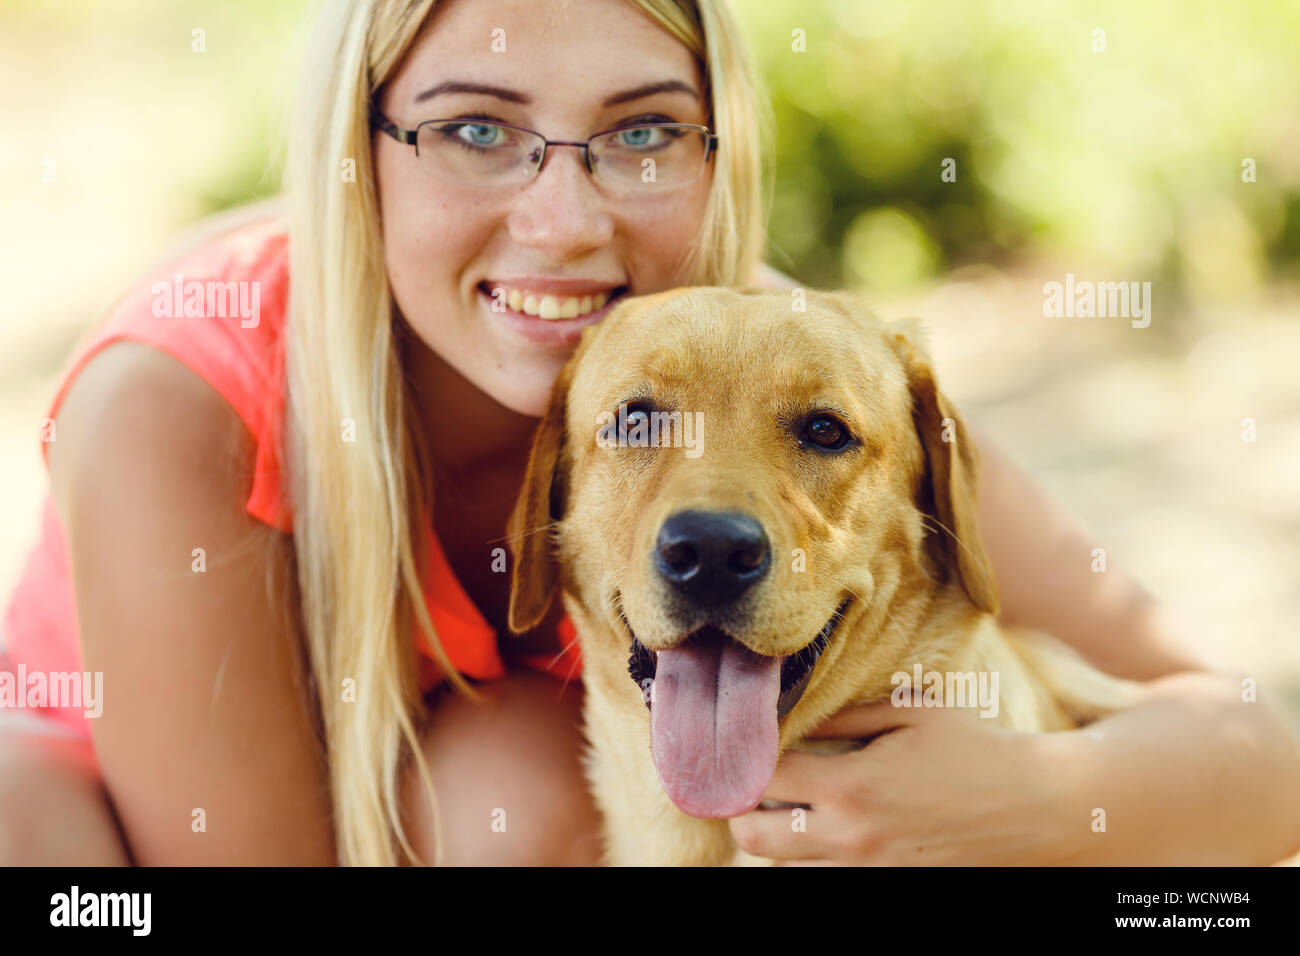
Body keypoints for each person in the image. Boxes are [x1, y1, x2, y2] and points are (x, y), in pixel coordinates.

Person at [2, 0, 1297, 867]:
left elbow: (1264, 761)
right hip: (125, 811)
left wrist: (1032, 800)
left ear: (718, 154)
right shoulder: (178, 405)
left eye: (641, 133)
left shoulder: (799, 377)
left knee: (523, 775)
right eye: (473, 129)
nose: (563, 222)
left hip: (488, 802)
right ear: (355, 149)